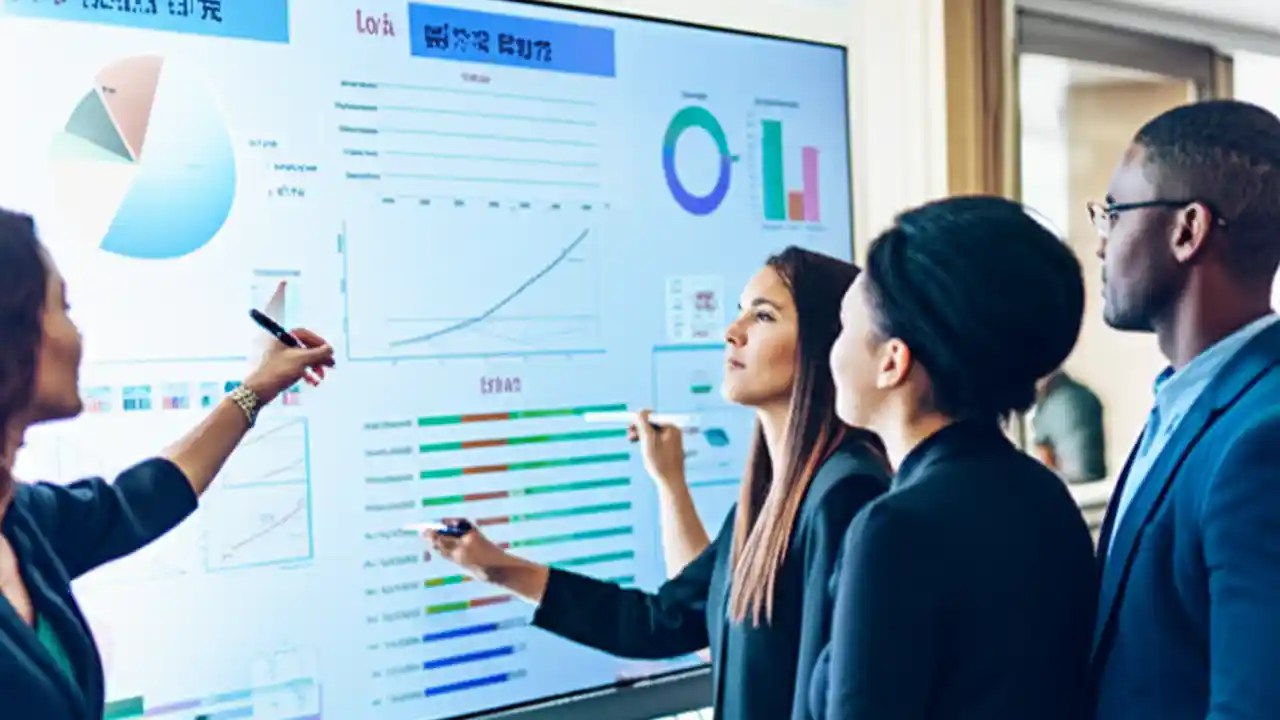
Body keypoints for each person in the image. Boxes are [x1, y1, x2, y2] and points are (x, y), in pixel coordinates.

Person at [426, 247, 889, 720]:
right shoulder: (776, 494)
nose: (732, 333)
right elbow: (666, 621)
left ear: (824, 344)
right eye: (739, 314)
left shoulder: (845, 494)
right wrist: (497, 568)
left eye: (763, 316)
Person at [0, 208, 336, 719]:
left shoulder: (22, 522)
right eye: (62, 308)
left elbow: (145, 496)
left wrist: (257, 388)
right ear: (16, 332)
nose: (77, 335)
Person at [810, 196, 1098, 719]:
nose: (832, 349)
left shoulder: (894, 529)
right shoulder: (1042, 494)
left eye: (843, 326)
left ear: (892, 362)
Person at [1089, 100, 1280, 720]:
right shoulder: (1184, 401)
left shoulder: (1261, 438)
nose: (1100, 244)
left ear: (1188, 230)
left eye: (1113, 214)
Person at [1031, 368, 1107, 483]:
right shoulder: (1088, 395)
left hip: (1070, 483)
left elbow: (1045, 457)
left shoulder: (1046, 406)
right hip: (1099, 480)